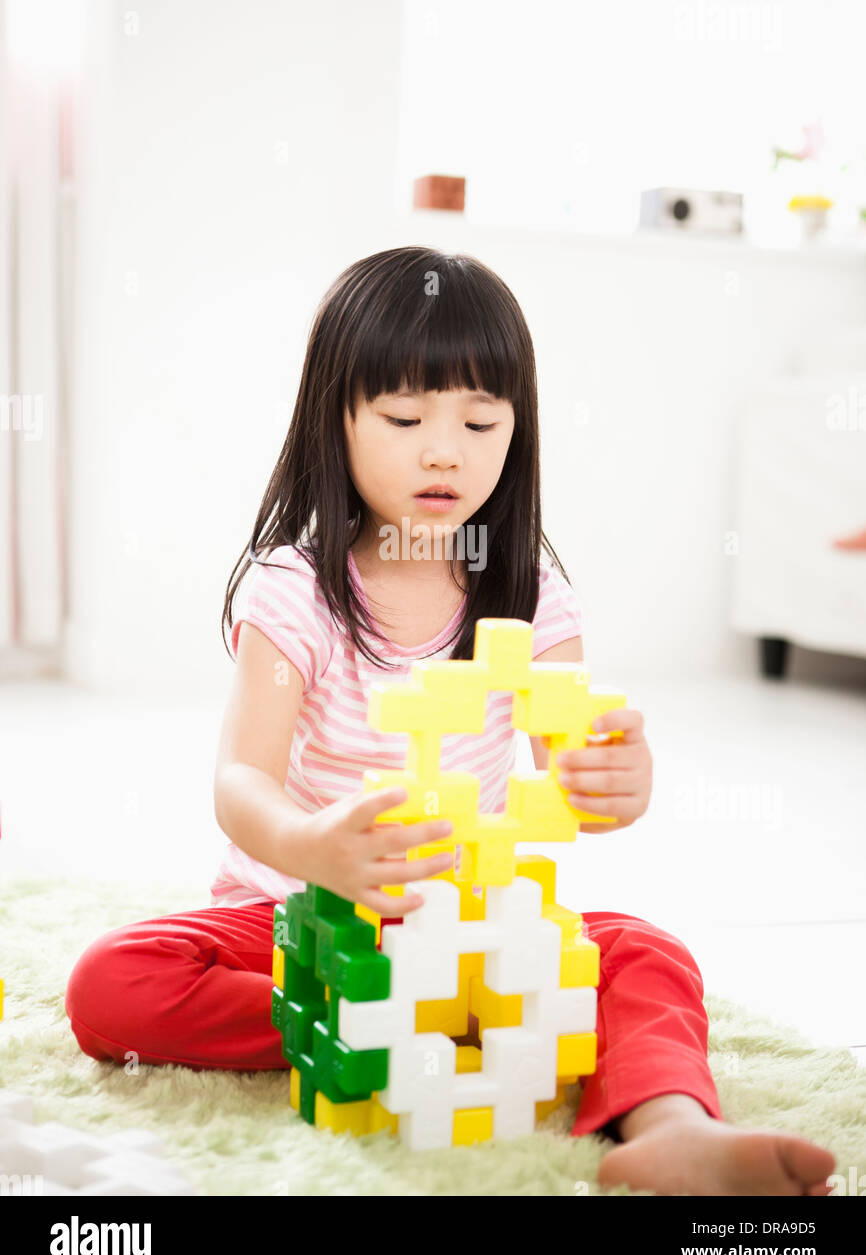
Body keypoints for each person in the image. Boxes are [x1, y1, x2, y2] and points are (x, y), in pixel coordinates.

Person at [65, 246, 836, 1196]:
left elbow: (570, 763)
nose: (445, 450)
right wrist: (315, 847)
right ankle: (385, 1027)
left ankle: (670, 1126)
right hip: (298, 915)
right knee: (114, 979)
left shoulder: (529, 594)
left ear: (518, 430)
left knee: (646, 952)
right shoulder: (297, 590)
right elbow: (242, 782)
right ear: (334, 422)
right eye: (403, 418)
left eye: (480, 420)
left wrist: (615, 782)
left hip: (472, 926)